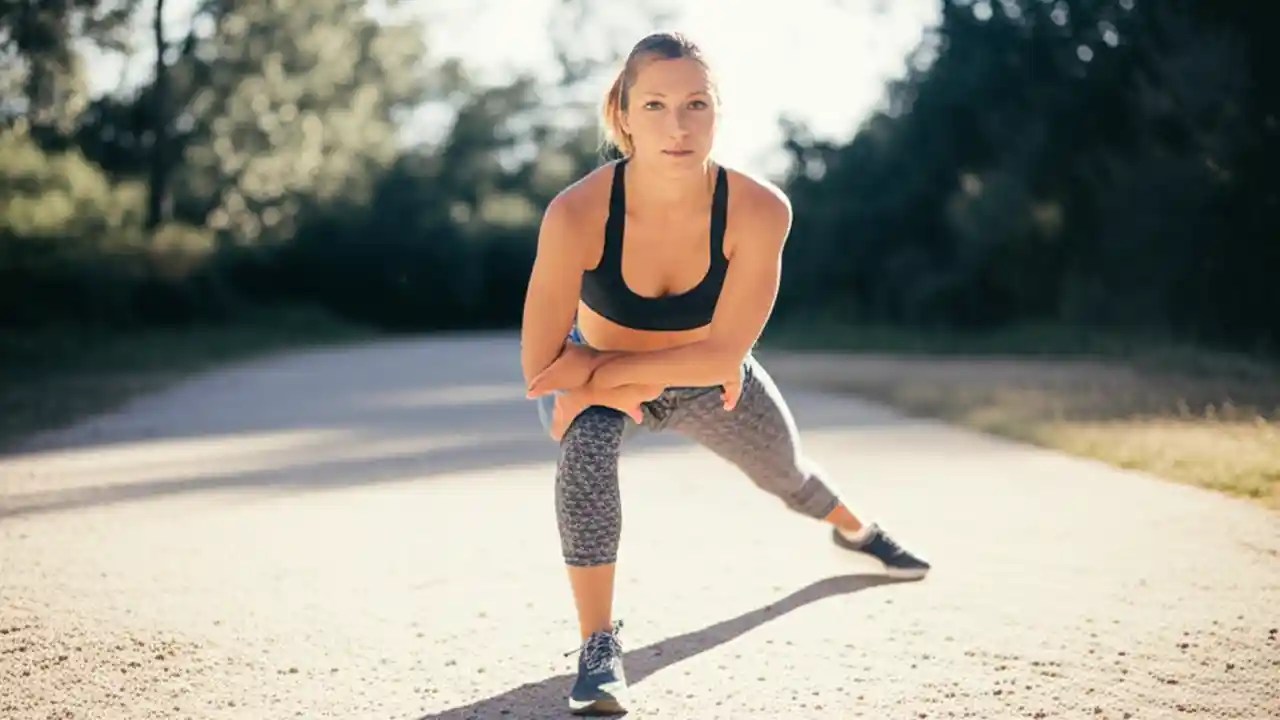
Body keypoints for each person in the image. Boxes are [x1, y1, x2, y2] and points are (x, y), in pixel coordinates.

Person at [520, 31, 930, 716]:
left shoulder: (760, 210)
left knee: (787, 475)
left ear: (719, 111)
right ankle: (598, 650)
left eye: (695, 104)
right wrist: (604, 379)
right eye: (654, 105)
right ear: (621, 114)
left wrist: (605, 370)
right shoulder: (577, 214)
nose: (677, 127)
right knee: (585, 450)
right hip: (605, 395)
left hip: (671, 381)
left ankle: (857, 529)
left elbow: (722, 357)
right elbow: (541, 371)